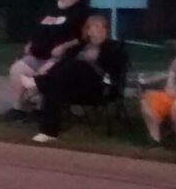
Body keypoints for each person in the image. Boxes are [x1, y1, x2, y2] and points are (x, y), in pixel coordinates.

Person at [28, 14, 124, 143]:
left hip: (96, 86)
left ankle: (38, 83)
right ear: (87, 30)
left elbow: (115, 72)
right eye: (92, 26)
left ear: (106, 29)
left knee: (73, 65)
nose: (96, 30)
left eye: (100, 27)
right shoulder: (80, 47)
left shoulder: (114, 48)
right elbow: (63, 65)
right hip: (75, 87)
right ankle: (48, 133)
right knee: (56, 86)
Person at [5, 0, 88, 120]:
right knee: (17, 70)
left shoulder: (82, 13)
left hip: (60, 59)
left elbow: (84, 37)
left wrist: (65, 46)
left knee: (45, 73)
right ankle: (20, 107)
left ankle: (41, 109)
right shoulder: (51, 11)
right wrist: (30, 44)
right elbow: (37, 31)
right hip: (38, 55)